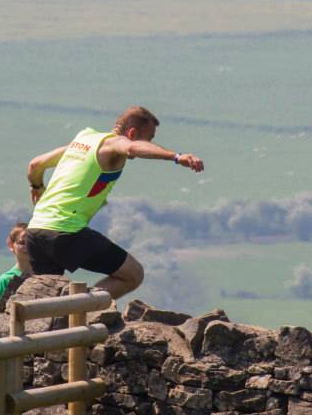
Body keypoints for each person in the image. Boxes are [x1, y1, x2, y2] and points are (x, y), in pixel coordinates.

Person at [24, 106, 204, 299]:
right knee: (133, 275)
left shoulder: (84, 139)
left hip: (35, 232)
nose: (150, 143)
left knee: (47, 300)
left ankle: (64, 313)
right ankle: (77, 308)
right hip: (66, 232)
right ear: (132, 133)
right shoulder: (115, 144)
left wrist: (36, 186)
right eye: (149, 139)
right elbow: (132, 147)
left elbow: (35, 164)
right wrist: (176, 157)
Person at [0, 222, 30, 303]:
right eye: (22, 243)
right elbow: (0, 311)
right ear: (11, 245)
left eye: (30, 242)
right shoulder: (5, 279)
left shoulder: (44, 274)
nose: (27, 246)